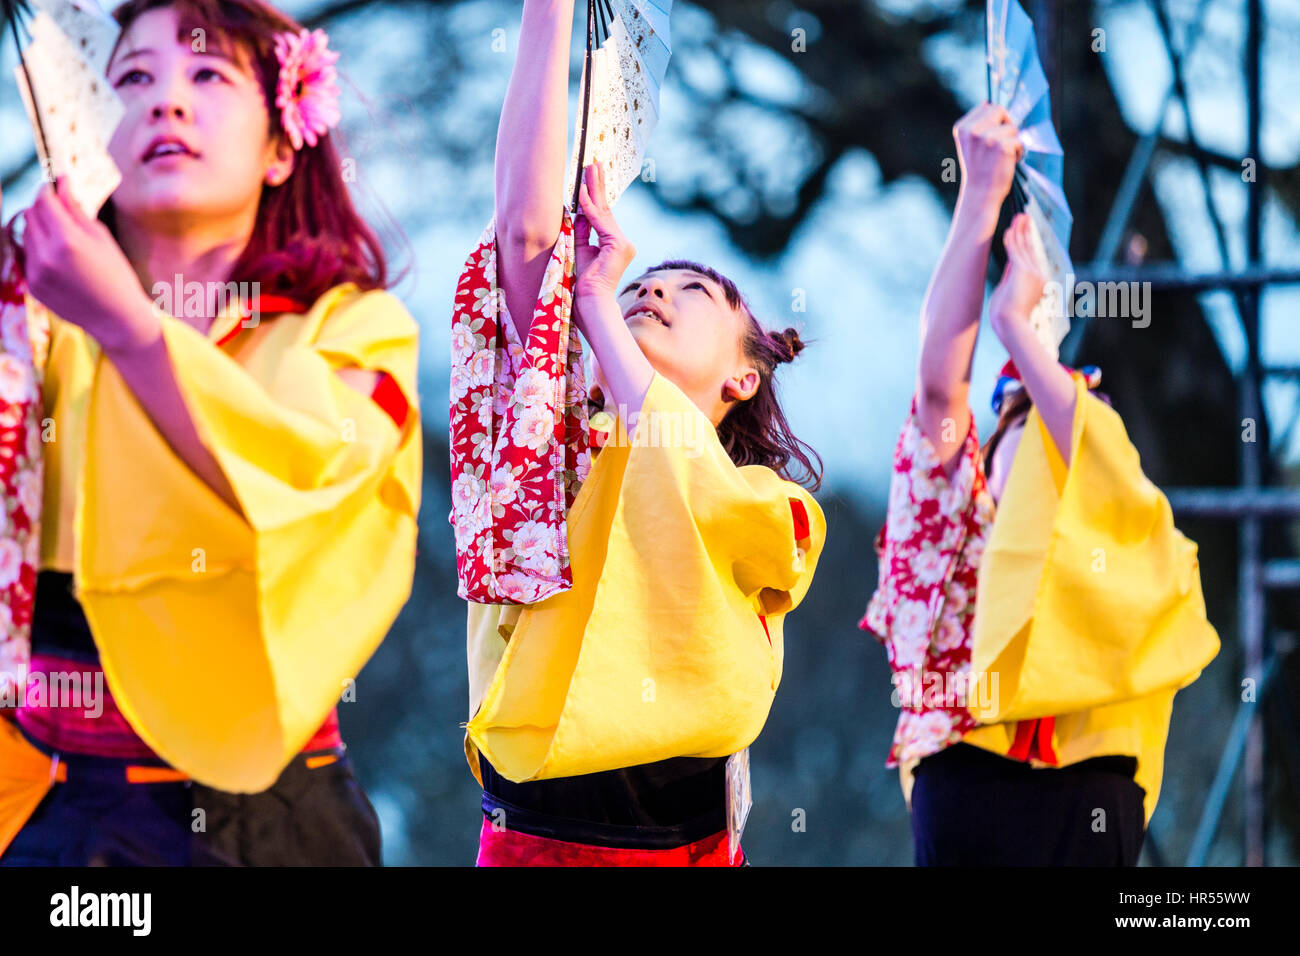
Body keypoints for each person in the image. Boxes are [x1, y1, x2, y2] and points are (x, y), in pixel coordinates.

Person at [0, 0, 421, 866]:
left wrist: (130, 329)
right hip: (40, 803)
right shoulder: (29, 325)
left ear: (279, 146)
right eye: (132, 79)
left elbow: (301, 486)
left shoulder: (352, 328)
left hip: (265, 820)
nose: (168, 102)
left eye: (208, 75)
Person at [450, 0, 826, 867]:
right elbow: (525, 232)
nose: (652, 290)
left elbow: (695, 483)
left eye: (694, 293)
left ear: (745, 375)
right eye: (639, 286)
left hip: (681, 845)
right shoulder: (557, 445)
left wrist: (599, 311)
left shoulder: (778, 507)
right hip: (536, 836)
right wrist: (545, 15)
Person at [860, 103, 1220, 866]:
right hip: (967, 772)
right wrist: (980, 196)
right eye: (1011, 430)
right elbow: (938, 392)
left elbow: (1102, 466)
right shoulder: (961, 521)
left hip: (1084, 784)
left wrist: (1020, 330)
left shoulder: (1120, 505)